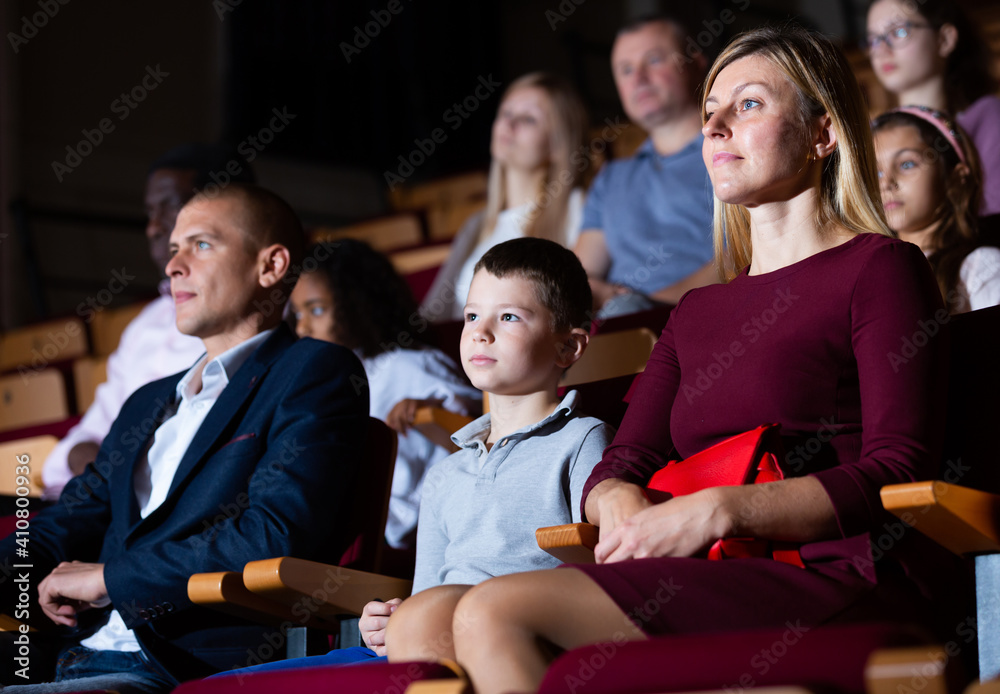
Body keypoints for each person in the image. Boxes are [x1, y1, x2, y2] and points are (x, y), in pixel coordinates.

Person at [397, 26, 951, 694]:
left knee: (494, 608)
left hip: (825, 568)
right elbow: (621, 462)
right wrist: (619, 501)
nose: (714, 126)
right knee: (423, 619)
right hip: (705, 566)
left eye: (746, 105)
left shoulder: (880, 267)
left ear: (821, 134)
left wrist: (725, 509)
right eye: (710, 109)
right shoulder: (697, 311)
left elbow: (898, 469)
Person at [0, 184, 370, 693]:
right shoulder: (147, 401)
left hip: (177, 666)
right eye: (172, 250)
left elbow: (273, 533)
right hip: (66, 652)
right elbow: (69, 518)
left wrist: (112, 579)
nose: (172, 266)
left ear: (271, 266)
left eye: (199, 245)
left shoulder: (313, 371)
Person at [206, 237, 613, 680]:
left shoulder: (583, 439)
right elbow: (428, 591)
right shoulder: (446, 473)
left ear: (568, 348)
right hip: (436, 632)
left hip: (522, 632)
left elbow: (602, 571)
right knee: (216, 687)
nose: (480, 331)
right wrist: (389, 620)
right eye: (473, 315)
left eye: (509, 316)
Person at [42, 144, 255, 497]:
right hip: (108, 496)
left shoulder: (271, 321)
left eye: (170, 206)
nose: (154, 227)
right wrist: (106, 475)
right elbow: (89, 434)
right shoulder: (144, 325)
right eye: (149, 212)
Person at [289, 239, 481, 549]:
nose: (303, 328)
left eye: (318, 309)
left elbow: (480, 434)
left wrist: (427, 410)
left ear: (358, 304)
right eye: (298, 314)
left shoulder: (409, 363)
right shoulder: (320, 381)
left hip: (412, 526)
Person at [574, 13, 716, 319]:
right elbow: (578, 274)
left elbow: (747, 254)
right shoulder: (611, 177)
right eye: (625, 70)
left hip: (700, 319)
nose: (638, 78)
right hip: (617, 324)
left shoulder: (730, 151)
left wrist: (643, 306)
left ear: (696, 62)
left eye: (653, 61)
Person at [420, 72, 588, 322]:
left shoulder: (577, 206)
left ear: (558, 144)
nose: (509, 125)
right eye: (506, 113)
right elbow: (433, 313)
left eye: (528, 119)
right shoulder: (476, 224)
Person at [866, 0, 1000, 215]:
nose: (881, 49)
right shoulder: (870, 134)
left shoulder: (987, 117)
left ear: (944, 39)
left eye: (899, 32)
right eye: (873, 40)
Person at [873, 106, 1000, 312]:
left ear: (956, 178)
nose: (886, 183)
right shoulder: (872, 269)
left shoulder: (982, 269)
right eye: (875, 173)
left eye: (906, 164)